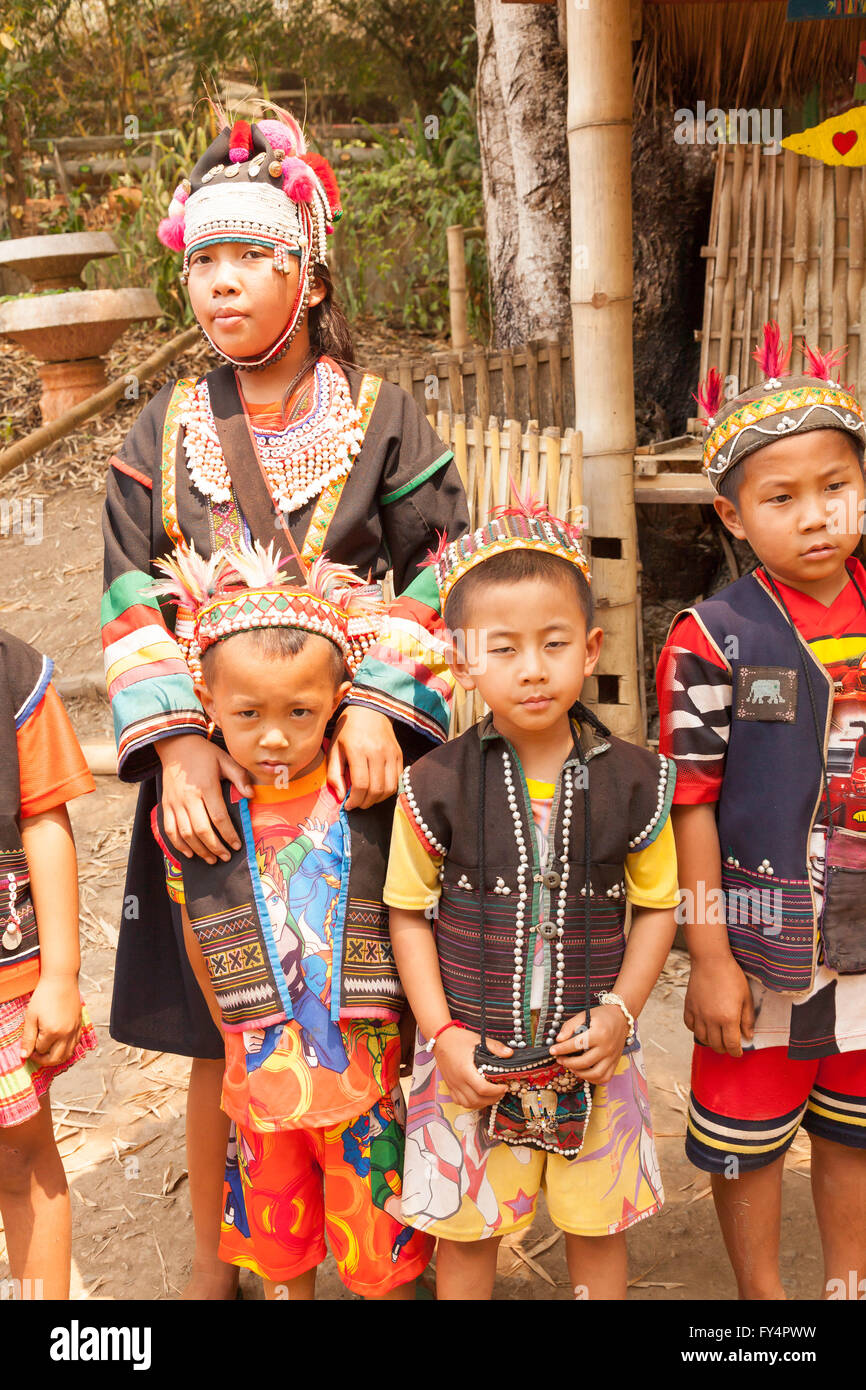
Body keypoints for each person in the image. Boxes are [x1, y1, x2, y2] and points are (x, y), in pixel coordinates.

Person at [101, 102, 468, 1296]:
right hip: (216, 784)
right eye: (202, 260)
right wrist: (178, 753)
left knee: (368, 1002)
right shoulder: (160, 430)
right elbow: (124, 591)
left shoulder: (387, 417)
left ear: (307, 276)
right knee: (219, 1020)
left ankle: (384, 1250)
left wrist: (374, 702)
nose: (221, 285)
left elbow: (440, 564)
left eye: (250, 256)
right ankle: (226, 1264)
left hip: (351, 778)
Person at [385, 496, 679, 1300]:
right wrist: (441, 1034)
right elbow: (407, 913)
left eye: (554, 644)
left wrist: (621, 1012)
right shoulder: (435, 783)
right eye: (503, 648)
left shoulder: (634, 779)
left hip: (596, 1053)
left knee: (597, 1229)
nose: (532, 668)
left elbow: (657, 908)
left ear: (590, 650)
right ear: (461, 659)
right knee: (469, 1237)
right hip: (469, 1059)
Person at [149, 537, 433, 1300]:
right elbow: (199, 943)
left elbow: (408, 916)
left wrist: (408, 1034)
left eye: (300, 711)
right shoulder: (205, 818)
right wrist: (234, 1045)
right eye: (248, 712)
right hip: (262, 1084)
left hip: (365, 1079)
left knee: (382, 1255)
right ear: (205, 703)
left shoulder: (370, 799)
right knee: (282, 1257)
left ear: (339, 702)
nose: (274, 735)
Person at [657, 322, 866, 1300]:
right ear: (732, 517)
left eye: (833, 486)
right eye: (780, 498)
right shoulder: (713, 640)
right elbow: (688, 808)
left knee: (852, 1128)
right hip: (757, 935)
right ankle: (761, 1304)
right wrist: (706, 955)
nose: (815, 516)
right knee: (744, 1136)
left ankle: (843, 1286)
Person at [0, 629, 96, 1299]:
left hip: (8, 981)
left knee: (22, 1158)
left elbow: (43, 816)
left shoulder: (13, 672)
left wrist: (59, 975)